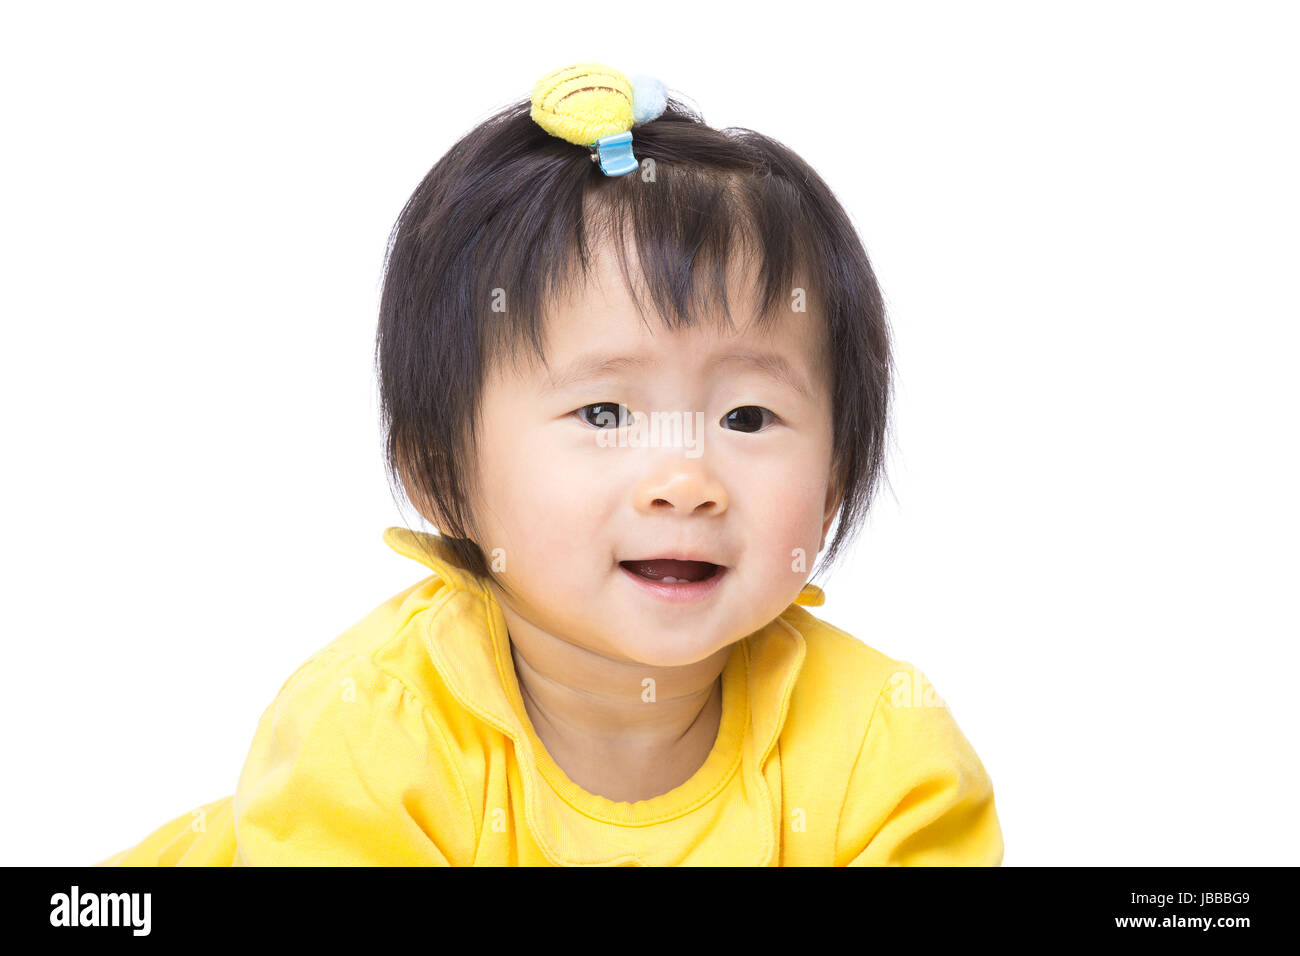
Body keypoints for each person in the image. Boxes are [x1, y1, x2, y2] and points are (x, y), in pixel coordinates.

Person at [97, 63, 1003, 866]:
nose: (685, 480)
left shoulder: (883, 747)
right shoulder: (376, 731)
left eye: (748, 415)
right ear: (439, 473)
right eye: (605, 412)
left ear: (837, 476)